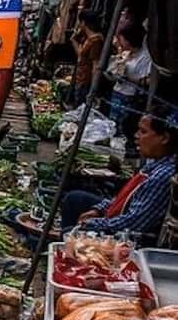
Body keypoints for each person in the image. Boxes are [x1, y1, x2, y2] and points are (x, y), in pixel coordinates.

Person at [60, 105, 178, 246]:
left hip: (134, 237)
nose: (136, 136)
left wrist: (91, 224)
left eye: (143, 131)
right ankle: (70, 245)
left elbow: (133, 222)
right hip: (126, 212)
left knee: (67, 232)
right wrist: (99, 209)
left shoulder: (164, 175)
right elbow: (124, 197)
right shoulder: (155, 162)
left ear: (164, 138)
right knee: (74, 199)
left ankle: (71, 248)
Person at [107, 23, 152, 139]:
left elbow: (148, 81)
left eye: (121, 39)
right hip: (117, 94)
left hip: (130, 97)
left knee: (124, 129)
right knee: (112, 127)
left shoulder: (145, 57)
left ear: (129, 40)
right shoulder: (125, 53)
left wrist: (129, 79)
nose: (119, 41)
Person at [70, 10, 104, 107]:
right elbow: (80, 54)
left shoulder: (95, 40)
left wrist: (94, 86)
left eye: (80, 22)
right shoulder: (87, 38)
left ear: (83, 23)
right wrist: (73, 39)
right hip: (81, 77)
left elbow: (95, 63)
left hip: (86, 80)